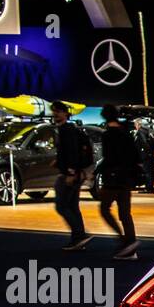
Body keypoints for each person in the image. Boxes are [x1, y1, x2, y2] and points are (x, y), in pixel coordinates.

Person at [97, 104, 141, 261]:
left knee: (104, 209)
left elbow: (108, 158)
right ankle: (131, 242)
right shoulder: (126, 133)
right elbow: (135, 155)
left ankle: (124, 240)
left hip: (113, 179)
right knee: (125, 213)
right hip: (126, 179)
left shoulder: (108, 135)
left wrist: (99, 173)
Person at [51, 101, 94, 251]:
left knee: (62, 206)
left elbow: (72, 152)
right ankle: (78, 238)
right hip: (75, 172)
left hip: (70, 174)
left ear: (65, 113)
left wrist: (71, 172)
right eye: (54, 111)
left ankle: (79, 235)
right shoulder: (69, 129)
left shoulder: (66, 130)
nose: (55, 114)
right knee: (73, 206)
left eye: (57, 111)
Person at [133, 118, 154, 194]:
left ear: (138, 124)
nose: (135, 126)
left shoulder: (141, 131)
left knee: (147, 171)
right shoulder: (149, 130)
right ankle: (151, 187)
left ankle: (148, 188)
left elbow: (144, 142)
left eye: (135, 124)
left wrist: (148, 152)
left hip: (146, 154)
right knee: (151, 171)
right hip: (151, 154)